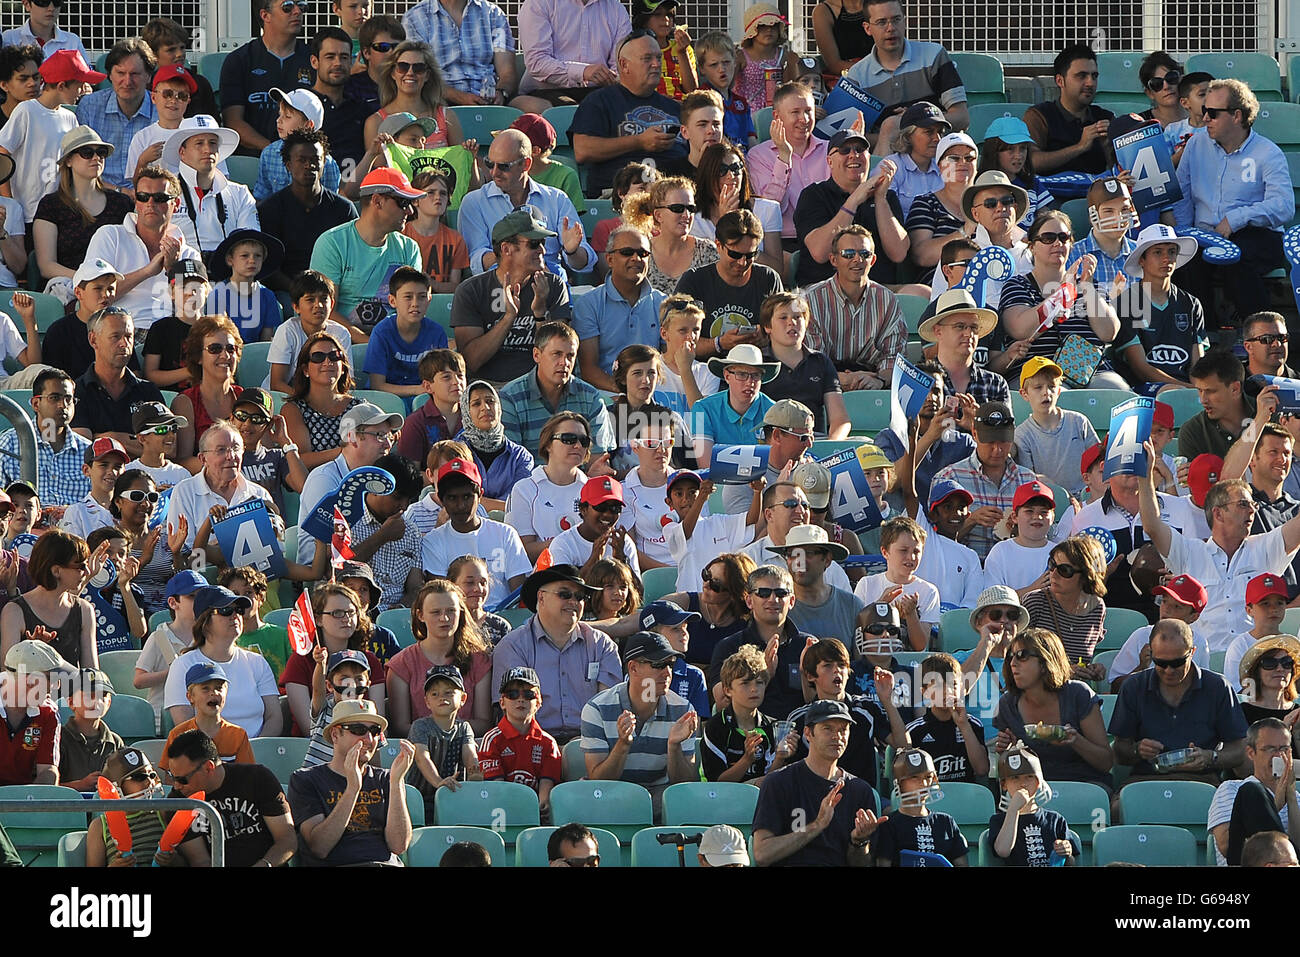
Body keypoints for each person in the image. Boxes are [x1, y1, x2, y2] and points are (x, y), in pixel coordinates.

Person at [1170, 78, 1293, 322]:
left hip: (1256, 233)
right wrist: (1183, 234)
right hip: (1204, 233)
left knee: (1236, 257)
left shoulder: (1267, 153)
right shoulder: (1195, 145)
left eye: (1213, 113)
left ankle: (1261, 333)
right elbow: (1181, 195)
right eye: (1204, 110)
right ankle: (1203, 336)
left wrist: (1236, 219)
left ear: (1237, 116)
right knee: (1185, 260)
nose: (1205, 118)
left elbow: (1284, 206)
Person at [491, 565, 622, 742]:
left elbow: (608, 710)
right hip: (531, 744)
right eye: (564, 594)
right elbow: (512, 714)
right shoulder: (513, 646)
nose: (574, 601)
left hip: (589, 744)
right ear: (541, 598)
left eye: (580, 596)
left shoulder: (602, 645)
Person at [1110, 617, 1247, 785]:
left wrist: (1211, 757)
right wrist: (1137, 750)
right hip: (1146, 779)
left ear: (1192, 652)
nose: (1169, 670)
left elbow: (1239, 750)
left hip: (1202, 781)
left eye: (1177, 662)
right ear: (1150, 654)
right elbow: (1119, 751)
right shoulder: (1133, 686)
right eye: (1160, 663)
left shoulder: (1217, 687)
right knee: (1117, 808)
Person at [997, 210, 1125, 389]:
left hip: (1090, 372)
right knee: (1057, 393)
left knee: (1116, 391)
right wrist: (1062, 295)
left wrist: (1086, 286)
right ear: (1032, 246)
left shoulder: (1089, 284)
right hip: (1037, 374)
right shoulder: (1017, 285)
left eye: (1064, 237)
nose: (1057, 243)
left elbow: (1108, 332)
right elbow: (1020, 329)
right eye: (1048, 238)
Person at [751, 698, 883, 866]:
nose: (837, 736)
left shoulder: (860, 790)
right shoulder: (779, 782)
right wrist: (817, 825)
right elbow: (762, 854)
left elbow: (862, 863)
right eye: (827, 729)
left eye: (843, 730)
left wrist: (859, 842)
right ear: (808, 733)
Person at [287, 698, 416, 866]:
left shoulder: (387, 779)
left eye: (375, 731)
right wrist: (352, 789)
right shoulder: (305, 779)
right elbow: (319, 847)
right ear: (335, 735)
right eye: (358, 729)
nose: (369, 739)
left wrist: (396, 782)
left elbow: (399, 846)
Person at [581, 630, 698, 813]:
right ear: (633, 668)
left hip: (660, 799)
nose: (667, 672)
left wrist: (674, 746)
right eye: (658, 664)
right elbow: (599, 782)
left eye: (670, 664)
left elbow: (684, 786)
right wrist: (622, 745)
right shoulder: (597, 709)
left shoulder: (683, 710)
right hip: (610, 799)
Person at [459, 128, 592, 278]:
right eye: (490, 164)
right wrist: (522, 258)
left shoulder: (556, 199)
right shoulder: (474, 202)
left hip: (549, 285)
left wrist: (572, 251)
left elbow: (584, 263)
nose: (494, 173)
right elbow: (476, 260)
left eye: (504, 166)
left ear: (526, 164)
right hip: (497, 287)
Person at [570, 30, 689, 198]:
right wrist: (639, 141)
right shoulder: (600, 101)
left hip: (675, 196)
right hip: (620, 197)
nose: (656, 64)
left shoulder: (675, 107)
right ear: (624, 65)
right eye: (647, 58)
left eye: (658, 58)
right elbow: (583, 150)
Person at [992, 626, 1113, 788]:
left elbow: (1106, 762)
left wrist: (1075, 740)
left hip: (1084, 783)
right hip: (1033, 786)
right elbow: (1008, 771)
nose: (1013, 663)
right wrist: (1007, 751)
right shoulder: (1008, 703)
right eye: (1010, 657)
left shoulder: (1078, 694)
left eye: (1022, 656)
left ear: (1045, 662)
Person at [83, 165, 203, 328]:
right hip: (119, 329)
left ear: (175, 204)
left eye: (160, 198)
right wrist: (147, 271)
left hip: (169, 333)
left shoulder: (190, 254)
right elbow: (93, 299)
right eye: (143, 196)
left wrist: (172, 271)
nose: (150, 203)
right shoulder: (109, 236)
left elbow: (191, 313)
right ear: (136, 201)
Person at [310, 166, 424, 335]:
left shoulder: (409, 248)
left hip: (393, 338)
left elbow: (412, 308)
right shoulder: (332, 243)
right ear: (377, 201)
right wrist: (369, 344)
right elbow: (324, 311)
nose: (410, 210)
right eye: (403, 202)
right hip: (340, 344)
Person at [163, 728, 295, 868]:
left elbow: (287, 840)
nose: (176, 786)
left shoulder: (257, 778)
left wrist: (264, 865)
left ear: (208, 767)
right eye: (173, 778)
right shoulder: (179, 802)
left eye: (182, 779)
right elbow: (200, 861)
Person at [842, 0, 968, 145]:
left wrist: (915, 122)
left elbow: (962, 117)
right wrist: (895, 134)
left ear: (904, 21)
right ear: (867, 28)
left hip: (934, 148)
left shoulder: (933, 55)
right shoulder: (857, 76)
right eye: (882, 22)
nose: (890, 28)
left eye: (896, 20)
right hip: (886, 153)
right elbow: (854, 134)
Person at [163, 585, 281, 738]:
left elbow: (275, 718)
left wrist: (250, 753)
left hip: (256, 755)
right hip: (207, 756)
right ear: (204, 622)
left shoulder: (257, 662)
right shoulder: (183, 666)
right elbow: (185, 725)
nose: (235, 616)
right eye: (226, 611)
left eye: (238, 610)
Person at [795, 128, 906, 289]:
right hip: (824, 289)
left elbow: (898, 253)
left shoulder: (887, 197)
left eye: (860, 150)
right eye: (844, 150)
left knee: (921, 292)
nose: (854, 155)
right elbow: (820, 252)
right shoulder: (813, 195)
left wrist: (880, 199)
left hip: (878, 290)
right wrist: (853, 200)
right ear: (829, 161)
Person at [33, 127, 133, 300]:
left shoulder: (122, 203)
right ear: (69, 160)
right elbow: (46, 265)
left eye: (101, 152)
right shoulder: (51, 205)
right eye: (87, 152)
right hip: (71, 290)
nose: (96, 158)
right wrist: (89, 281)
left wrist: (104, 284)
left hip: (117, 290)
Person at [930, 400, 1037, 561]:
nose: (997, 449)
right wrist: (971, 520)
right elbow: (934, 542)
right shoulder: (949, 478)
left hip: (1016, 567)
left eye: (1003, 441)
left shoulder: (1028, 480)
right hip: (965, 567)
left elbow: (1039, 538)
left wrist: (1020, 527)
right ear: (974, 433)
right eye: (989, 442)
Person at [294, 401, 402, 559]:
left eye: (390, 436)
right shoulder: (324, 479)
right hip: (326, 580)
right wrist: (382, 536)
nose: (388, 444)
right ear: (352, 437)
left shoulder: (378, 479)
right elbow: (332, 559)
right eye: (380, 436)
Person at [386, 579, 492, 737]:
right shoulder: (401, 665)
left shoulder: (479, 660)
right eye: (436, 612)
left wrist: (450, 734)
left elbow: (484, 723)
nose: (445, 618)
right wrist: (439, 733)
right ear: (420, 615)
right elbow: (400, 727)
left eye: (451, 611)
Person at [0, 49, 90, 233]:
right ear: (62, 85)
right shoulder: (26, 110)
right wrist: (10, 203)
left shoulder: (69, 116)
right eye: (79, 85)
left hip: (57, 211)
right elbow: (2, 153)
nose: (83, 91)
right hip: (26, 213)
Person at [257, 129, 358, 290]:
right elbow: (268, 267)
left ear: (324, 163)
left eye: (315, 159)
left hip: (336, 291)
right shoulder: (270, 209)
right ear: (288, 165)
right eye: (301, 160)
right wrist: (299, 292)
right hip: (287, 292)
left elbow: (355, 259)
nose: (309, 165)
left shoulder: (343, 209)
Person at [1112, 223, 1206, 393]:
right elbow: (1141, 368)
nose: (1166, 258)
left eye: (1171, 251)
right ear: (1141, 259)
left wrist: (1199, 390)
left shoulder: (1191, 303)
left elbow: (1198, 365)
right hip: (1142, 388)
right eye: (1157, 252)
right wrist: (1188, 390)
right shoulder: (1126, 302)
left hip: (1189, 388)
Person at [164, 420, 276, 559]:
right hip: (204, 575)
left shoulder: (258, 494)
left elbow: (273, 548)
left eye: (236, 448)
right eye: (221, 450)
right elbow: (187, 552)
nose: (230, 456)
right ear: (203, 458)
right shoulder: (185, 491)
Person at [500, 321, 616, 455]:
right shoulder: (510, 398)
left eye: (570, 356)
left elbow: (598, 461)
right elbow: (512, 464)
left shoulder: (591, 397)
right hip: (530, 475)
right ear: (536, 355)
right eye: (557, 354)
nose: (564, 362)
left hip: (581, 475)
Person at [575, 227, 664, 393]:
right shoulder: (589, 304)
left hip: (653, 392)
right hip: (605, 393)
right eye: (627, 252)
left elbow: (670, 362)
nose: (636, 258)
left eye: (643, 254)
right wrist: (628, 392)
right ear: (609, 259)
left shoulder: (663, 304)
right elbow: (589, 370)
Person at [67, 308, 165, 458]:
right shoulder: (76, 392)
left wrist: (110, 438)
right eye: (115, 336)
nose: (124, 343)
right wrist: (137, 443)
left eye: (129, 336)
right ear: (93, 340)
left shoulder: (148, 391)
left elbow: (166, 449)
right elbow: (83, 449)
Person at [163, 114, 260, 265]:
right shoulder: (164, 193)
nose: (207, 149)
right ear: (182, 153)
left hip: (229, 277)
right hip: (179, 277)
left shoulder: (240, 193)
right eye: (199, 143)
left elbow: (249, 245)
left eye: (213, 143)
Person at [220, 0, 314, 152]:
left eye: (302, 5)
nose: (297, 11)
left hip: (305, 160)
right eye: (287, 7)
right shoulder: (239, 60)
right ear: (265, 15)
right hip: (253, 160)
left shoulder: (313, 59)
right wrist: (274, 151)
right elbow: (233, 122)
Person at [0, 528, 98, 670]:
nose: (87, 572)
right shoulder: (14, 611)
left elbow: (92, 674)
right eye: (81, 566)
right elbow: (7, 672)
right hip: (29, 691)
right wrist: (29, 653)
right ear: (56, 571)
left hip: (74, 691)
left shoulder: (84, 609)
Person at [1208, 717, 1300, 866]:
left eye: (1284, 749)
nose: (1278, 756)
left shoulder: (1296, 798)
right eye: (1270, 749)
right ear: (1251, 753)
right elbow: (1226, 846)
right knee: (1252, 790)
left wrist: (1290, 797)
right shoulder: (1231, 789)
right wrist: (1275, 804)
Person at [747, 82, 829, 245]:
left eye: (808, 111)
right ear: (777, 117)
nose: (804, 119)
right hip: (785, 240)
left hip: (827, 236)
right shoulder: (758, 155)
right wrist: (784, 157)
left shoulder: (829, 149)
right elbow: (770, 210)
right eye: (795, 112)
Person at [73, 39, 157, 190]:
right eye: (120, 73)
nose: (127, 81)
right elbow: (78, 168)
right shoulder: (89, 106)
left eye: (135, 74)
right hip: (99, 193)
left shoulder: (161, 109)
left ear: (148, 76)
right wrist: (119, 192)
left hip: (147, 197)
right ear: (110, 75)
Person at [0, 369, 90, 505]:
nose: (63, 405)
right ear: (36, 404)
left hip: (77, 525)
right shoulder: (9, 444)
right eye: (54, 398)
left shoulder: (88, 451)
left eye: (68, 399)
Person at [623, 176, 722, 299]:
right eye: (677, 209)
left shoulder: (707, 251)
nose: (686, 215)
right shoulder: (641, 254)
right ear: (658, 215)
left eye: (691, 208)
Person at [1108, 573, 1211, 691]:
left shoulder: (1200, 643)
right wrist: (1141, 668)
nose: (1166, 609)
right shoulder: (1141, 636)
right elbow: (1115, 688)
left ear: (1193, 617)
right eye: (1164, 601)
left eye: (1177, 606)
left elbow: (1202, 689)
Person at [1023, 44, 1114, 175]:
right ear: (1060, 81)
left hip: (1097, 193)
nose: (1090, 83)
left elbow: (1124, 170)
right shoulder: (1039, 115)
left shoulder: (1105, 117)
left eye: (1094, 76)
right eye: (1081, 76)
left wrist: (1108, 147)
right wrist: (1080, 147)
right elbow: (1031, 162)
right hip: (1053, 193)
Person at [402, 0, 515, 105]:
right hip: (438, 102)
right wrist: (459, 97)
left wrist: (501, 93)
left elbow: (507, 72)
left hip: (489, 102)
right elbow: (417, 74)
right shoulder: (414, 18)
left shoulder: (494, 14)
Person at [1014, 359, 1100, 496]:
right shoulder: (1022, 435)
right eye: (1038, 387)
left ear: (1059, 390)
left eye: (1051, 386)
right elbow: (1028, 479)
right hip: (1048, 501)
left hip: (1087, 497)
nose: (1046, 392)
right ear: (1024, 394)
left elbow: (1097, 462)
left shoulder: (1078, 421)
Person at [83, 745, 180, 867]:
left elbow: (187, 863)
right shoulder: (99, 826)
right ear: (116, 787)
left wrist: (173, 861)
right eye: (139, 777)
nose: (149, 782)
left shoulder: (162, 813)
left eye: (152, 775)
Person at [1023, 535, 1109, 669]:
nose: (1054, 574)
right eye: (1052, 565)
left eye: (1065, 570)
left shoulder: (1097, 607)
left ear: (1087, 575)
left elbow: (1080, 659)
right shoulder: (1035, 602)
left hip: (1073, 688)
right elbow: (1019, 660)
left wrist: (1091, 669)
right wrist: (1066, 673)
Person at [407, 663, 482, 813]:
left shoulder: (464, 728)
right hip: (420, 797)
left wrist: (475, 772)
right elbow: (422, 758)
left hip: (453, 796)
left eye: (448, 692)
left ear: (463, 698)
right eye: (434, 694)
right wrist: (439, 782)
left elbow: (469, 754)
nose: (441, 697)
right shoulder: (420, 726)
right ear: (427, 702)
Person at [156, 661, 256, 774]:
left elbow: (247, 776)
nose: (213, 693)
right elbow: (170, 777)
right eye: (205, 688)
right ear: (190, 697)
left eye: (219, 688)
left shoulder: (238, 735)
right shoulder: (178, 734)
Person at [701, 645, 782, 783]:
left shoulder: (773, 726)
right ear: (727, 690)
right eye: (745, 683)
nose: (753, 689)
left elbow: (772, 782)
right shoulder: (716, 726)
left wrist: (781, 757)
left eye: (759, 683)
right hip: (720, 799)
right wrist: (747, 759)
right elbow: (717, 782)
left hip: (762, 797)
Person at [170, 314, 245, 462]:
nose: (225, 355)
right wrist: (223, 468)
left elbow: (263, 452)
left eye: (231, 349)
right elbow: (183, 461)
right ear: (198, 357)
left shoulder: (245, 398)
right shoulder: (186, 403)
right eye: (215, 349)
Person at [918, 287, 1009, 406]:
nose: (969, 333)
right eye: (960, 326)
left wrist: (975, 424)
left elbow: (1006, 425)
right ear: (938, 331)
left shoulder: (996, 384)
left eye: (974, 327)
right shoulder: (918, 380)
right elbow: (908, 424)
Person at [988, 743, 1074, 866]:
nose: (1023, 784)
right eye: (1015, 778)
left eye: (1029, 777)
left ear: (1038, 782)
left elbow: (1072, 862)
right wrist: (1013, 809)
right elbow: (1002, 850)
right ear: (1004, 785)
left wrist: (1067, 852)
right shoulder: (998, 821)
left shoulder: (1055, 819)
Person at [904, 130, 978, 274]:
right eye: (954, 159)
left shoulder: (991, 202)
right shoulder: (925, 203)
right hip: (940, 285)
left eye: (969, 158)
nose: (962, 163)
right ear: (940, 165)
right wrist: (965, 231)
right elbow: (921, 256)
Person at [123, 63, 204, 186]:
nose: (173, 100)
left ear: (188, 101)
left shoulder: (201, 134)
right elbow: (136, 186)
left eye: (182, 96)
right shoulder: (142, 137)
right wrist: (143, 161)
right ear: (154, 97)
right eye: (167, 94)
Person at [205, 228, 287, 345]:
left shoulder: (267, 295)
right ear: (230, 260)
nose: (252, 260)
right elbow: (220, 335)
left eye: (258, 256)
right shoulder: (218, 294)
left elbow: (266, 340)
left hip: (257, 356)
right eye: (244, 255)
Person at [983, 481, 1060, 595]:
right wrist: (1032, 590)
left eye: (1044, 512)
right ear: (1014, 517)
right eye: (1029, 511)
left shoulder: (1060, 552)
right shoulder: (1001, 551)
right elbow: (993, 598)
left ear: (1052, 517)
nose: (1037, 517)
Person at [977, 116, 1051, 229]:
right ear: (993, 151)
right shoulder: (978, 186)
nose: (1018, 155)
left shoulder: (1033, 184)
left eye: (1023, 148)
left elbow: (1046, 221)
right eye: (1010, 149)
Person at [57, 668, 123, 791]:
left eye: (102, 696)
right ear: (71, 702)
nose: (96, 701)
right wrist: (79, 786)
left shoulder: (115, 741)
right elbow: (44, 787)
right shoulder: (58, 738)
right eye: (88, 695)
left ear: (109, 703)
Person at [140, 18, 219, 119]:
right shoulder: (146, 85)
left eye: (182, 48)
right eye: (171, 50)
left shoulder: (200, 84)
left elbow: (214, 123)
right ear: (153, 54)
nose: (180, 54)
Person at [2, 0, 85, 58]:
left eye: (57, 2)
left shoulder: (73, 41)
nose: (51, 8)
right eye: (43, 2)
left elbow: (87, 77)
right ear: (27, 4)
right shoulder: (9, 38)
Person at [0, 44, 42, 132]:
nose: (32, 83)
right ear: (4, 85)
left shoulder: (48, 116)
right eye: (23, 79)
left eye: (36, 77)